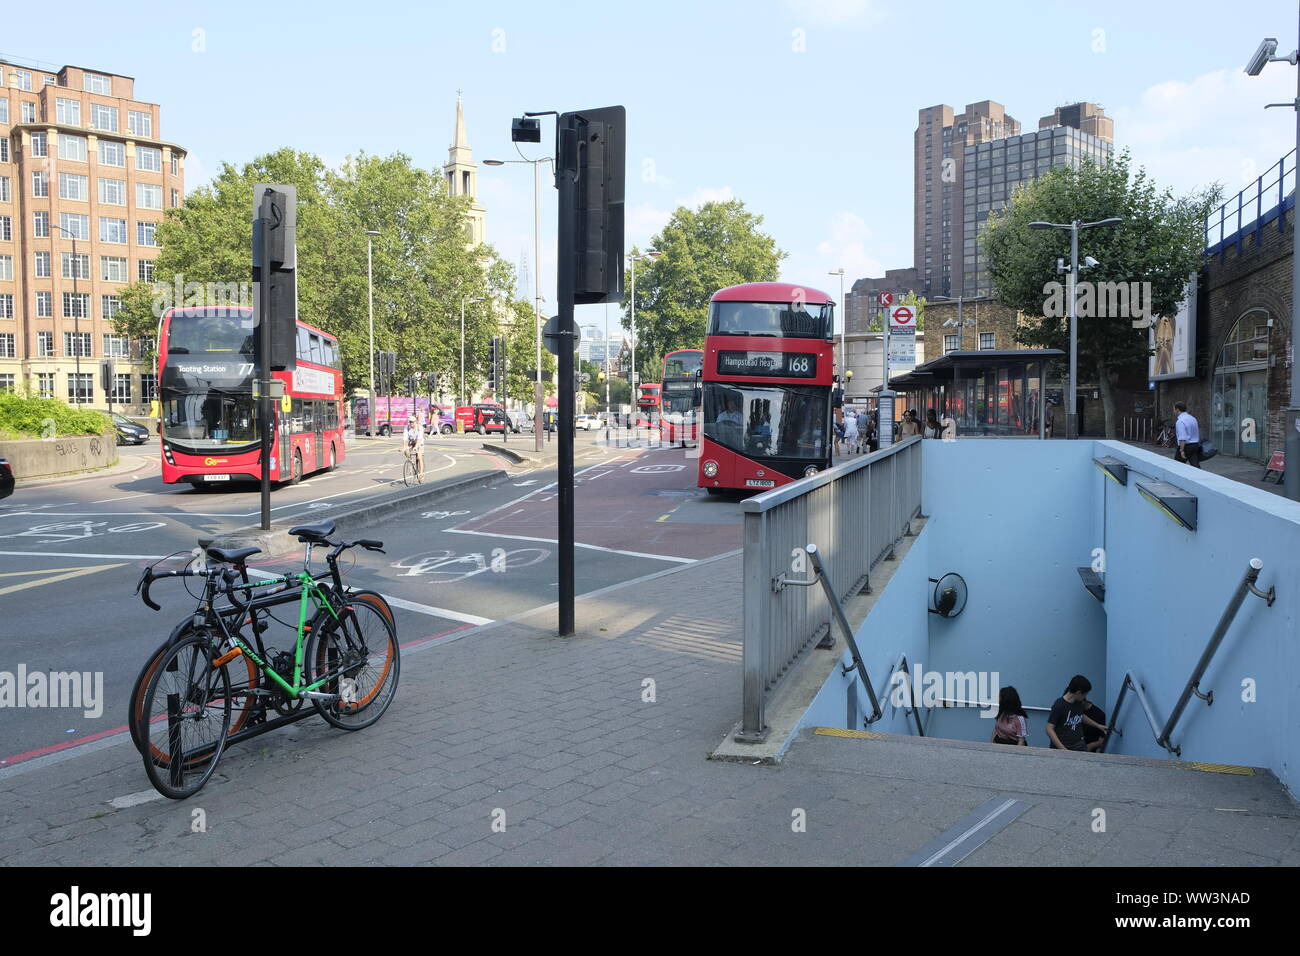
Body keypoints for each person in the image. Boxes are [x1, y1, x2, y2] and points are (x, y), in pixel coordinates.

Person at [1046, 675, 1108, 752]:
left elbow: (1080, 716)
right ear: (1078, 693)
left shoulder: (1078, 702)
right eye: (1085, 694)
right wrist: (1063, 750)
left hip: (1079, 746)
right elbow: (1049, 729)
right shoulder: (1059, 705)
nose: (1085, 697)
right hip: (1063, 748)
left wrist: (1098, 726)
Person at [1174, 400, 1202, 468]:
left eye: (1174, 409)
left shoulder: (1180, 421)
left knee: (1177, 466)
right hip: (1195, 445)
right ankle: (1199, 476)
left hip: (1186, 446)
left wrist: (1181, 450)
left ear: (1177, 409)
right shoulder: (1193, 418)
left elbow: (1182, 437)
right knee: (1195, 465)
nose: (1173, 411)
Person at [404, 411, 426, 480]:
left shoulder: (420, 427)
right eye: (410, 422)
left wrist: (416, 447)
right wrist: (405, 447)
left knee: (419, 457)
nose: (411, 423)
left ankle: (421, 473)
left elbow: (419, 439)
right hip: (412, 441)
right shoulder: (407, 428)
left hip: (419, 443)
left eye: (412, 422)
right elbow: (405, 439)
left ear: (415, 422)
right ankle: (411, 461)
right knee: (406, 451)